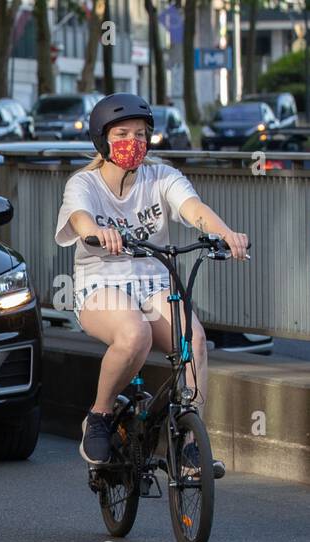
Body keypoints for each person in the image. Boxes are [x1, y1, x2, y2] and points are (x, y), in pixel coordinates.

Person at [54, 93, 248, 472]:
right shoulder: (85, 184)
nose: (134, 142)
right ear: (102, 139)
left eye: (141, 134)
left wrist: (225, 233)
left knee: (193, 339)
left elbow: (193, 209)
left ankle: (191, 441)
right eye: (123, 133)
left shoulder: (161, 176)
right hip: (101, 286)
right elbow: (79, 218)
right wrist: (96, 232)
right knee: (134, 335)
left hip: (154, 281)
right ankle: (98, 415)